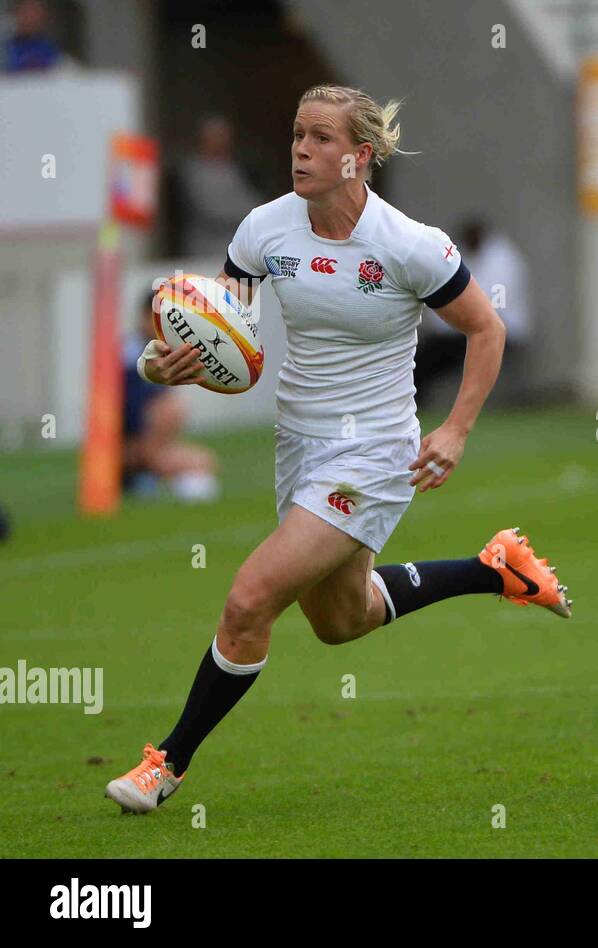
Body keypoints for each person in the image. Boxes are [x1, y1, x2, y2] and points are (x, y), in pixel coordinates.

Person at [106, 84, 572, 815]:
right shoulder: (265, 228)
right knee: (340, 621)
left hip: (376, 451)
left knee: (249, 600)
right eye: (296, 134)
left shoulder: (408, 245)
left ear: (359, 158)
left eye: (321, 138)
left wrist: (453, 430)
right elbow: (220, 333)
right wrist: (160, 363)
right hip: (298, 444)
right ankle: (495, 570)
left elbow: (488, 330)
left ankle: (165, 763)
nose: (301, 149)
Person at [414, 217, 532, 409]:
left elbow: (489, 305)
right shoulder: (468, 255)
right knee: (427, 355)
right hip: (464, 330)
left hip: (502, 330)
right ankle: (417, 401)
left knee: (437, 353)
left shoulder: (502, 259)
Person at [121, 290, 220, 503]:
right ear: (145, 317)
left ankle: (146, 476)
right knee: (171, 411)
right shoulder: (128, 357)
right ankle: (138, 473)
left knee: (204, 460)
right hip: (126, 448)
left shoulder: (161, 352)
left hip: (146, 445)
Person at [175, 115, 265, 260]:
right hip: (206, 248)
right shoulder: (194, 170)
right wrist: (257, 212)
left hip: (236, 246)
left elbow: (248, 197)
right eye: (216, 136)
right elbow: (211, 209)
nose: (221, 141)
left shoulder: (231, 167)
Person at [4, 0, 62, 72]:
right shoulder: (6, 47)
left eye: (35, 12)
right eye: (26, 12)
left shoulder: (49, 48)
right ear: (17, 14)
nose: (30, 17)